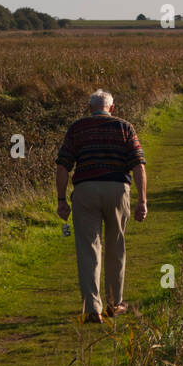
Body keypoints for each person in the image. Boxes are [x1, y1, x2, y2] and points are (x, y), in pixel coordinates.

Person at [55, 89, 147, 323]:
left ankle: (92, 308)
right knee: (116, 246)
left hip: (85, 190)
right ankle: (114, 304)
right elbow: (138, 166)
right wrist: (142, 201)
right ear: (112, 108)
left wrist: (61, 200)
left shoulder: (77, 128)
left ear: (90, 108)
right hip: (117, 190)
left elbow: (63, 166)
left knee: (89, 249)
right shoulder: (125, 128)